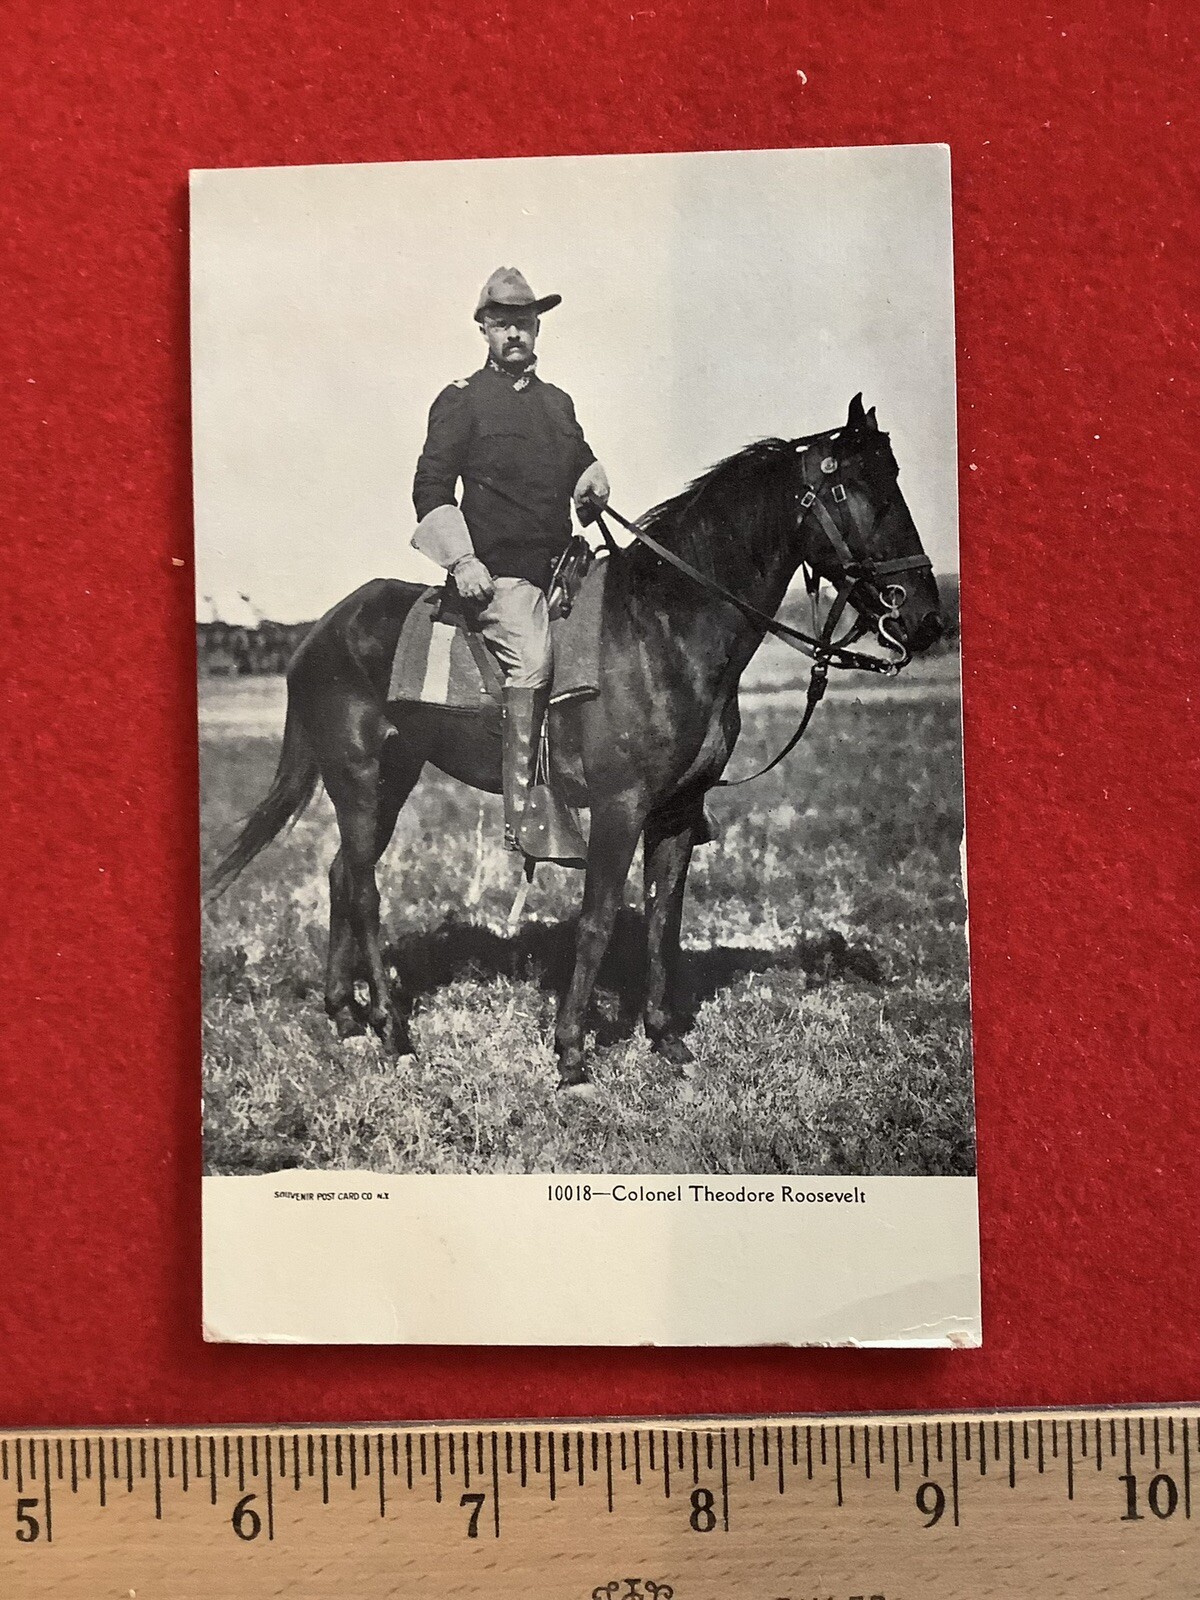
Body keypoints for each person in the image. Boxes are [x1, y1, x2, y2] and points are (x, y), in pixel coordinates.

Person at [411, 267, 610, 854]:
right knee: (531, 660)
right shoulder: (462, 400)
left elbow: (582, 462)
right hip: (500, 577)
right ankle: (527, 816)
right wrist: (462, 560)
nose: (515, 335)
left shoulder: (558, 403)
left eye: (523, 323)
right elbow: (430, 486)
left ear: (537, 327)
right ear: (484, 330)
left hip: (565, 567)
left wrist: (594, 483)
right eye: (502, 325)